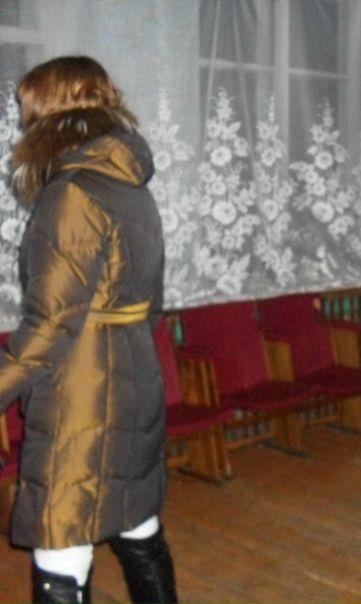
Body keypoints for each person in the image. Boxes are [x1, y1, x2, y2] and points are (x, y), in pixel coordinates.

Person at [0, 56, 177, 604]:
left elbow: (51, 322)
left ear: (49, 109)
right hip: (135, 373)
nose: (22, 119)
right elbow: (151, 303)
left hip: (83, 388)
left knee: (63, 534)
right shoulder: (131, 188)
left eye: (27, 108)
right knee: (134, 519)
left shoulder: (73, 192)